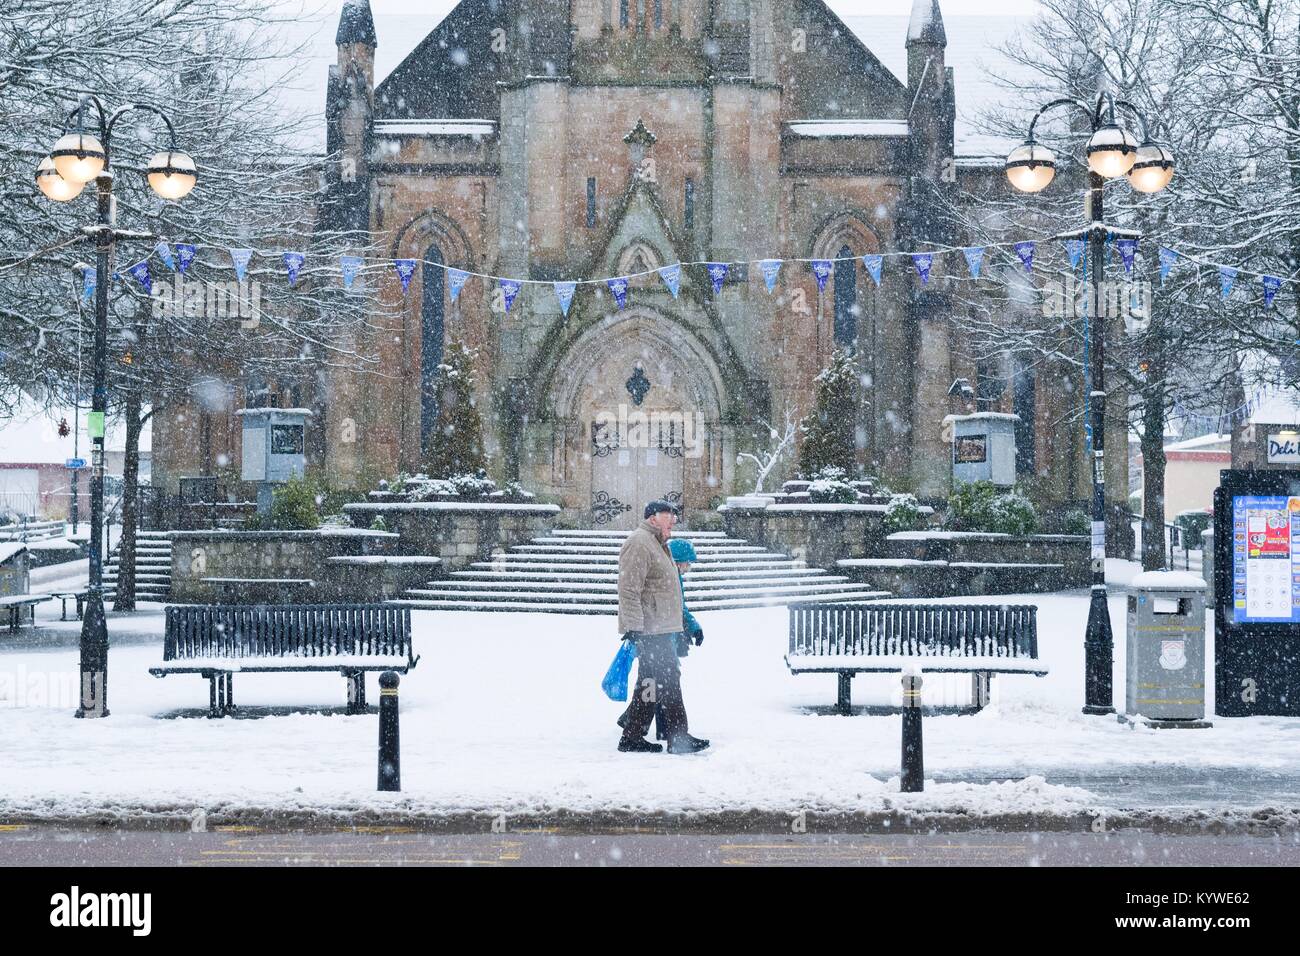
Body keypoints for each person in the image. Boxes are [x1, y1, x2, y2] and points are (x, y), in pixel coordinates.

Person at [615, 500, 710, 755]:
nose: (674, 521)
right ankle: (677, 738)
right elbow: (629, 588)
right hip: (651, 629)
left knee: (650, 683)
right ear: (653, 517)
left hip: (660, 627)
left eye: (675, 517)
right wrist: (633, 626)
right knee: (667, 682)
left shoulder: (658, 543)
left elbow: (667, 588)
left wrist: (684, 625)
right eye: (669, 516)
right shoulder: (640, 542)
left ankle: (633, 734)